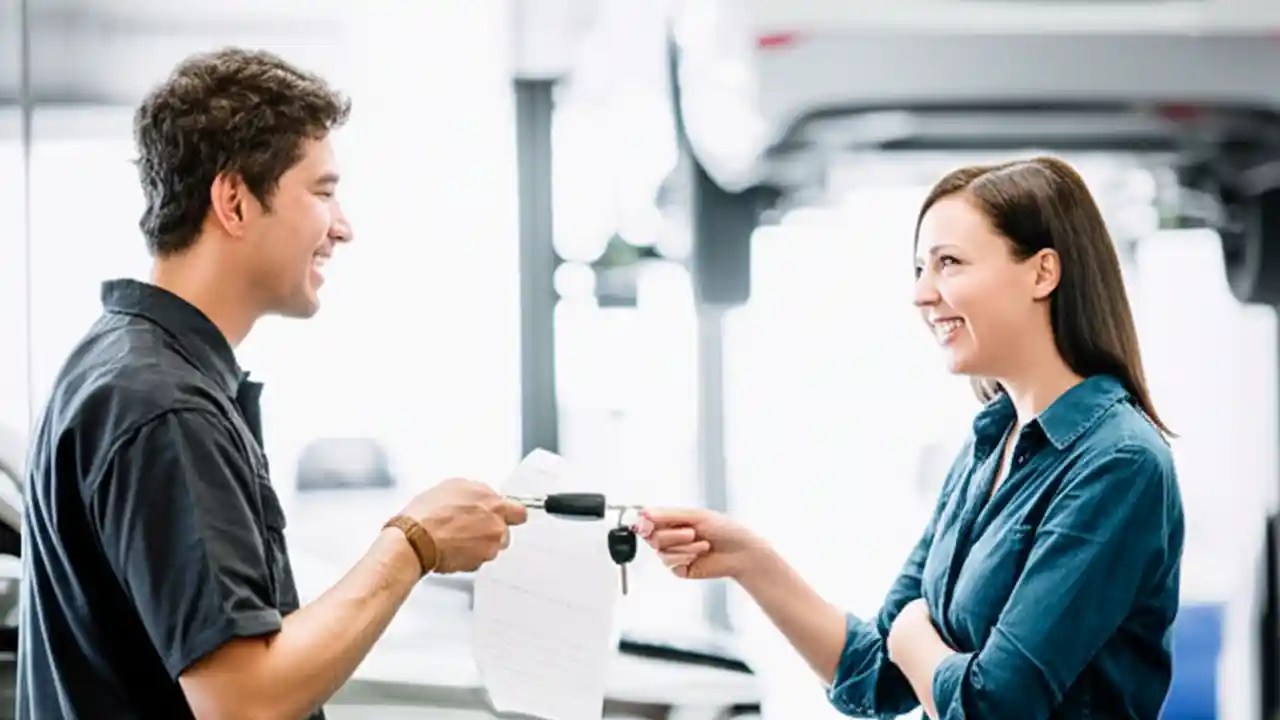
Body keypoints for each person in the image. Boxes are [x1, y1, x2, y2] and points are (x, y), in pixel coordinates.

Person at [17, 47, 528, 720]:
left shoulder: (126, 364)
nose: (342, 226)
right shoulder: (163, 404)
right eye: (321, 191)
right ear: (233, 201)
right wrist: (413, 543)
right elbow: (243, 703)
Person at [636, 157, 1184, 719]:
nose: (922, 294)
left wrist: (915, 639)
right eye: (920, 268)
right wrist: (750, 560)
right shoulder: (988, 449)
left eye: (949, 264)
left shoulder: (1117, 462)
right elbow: (876, 677)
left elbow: (995, 707)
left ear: (1042, 273)